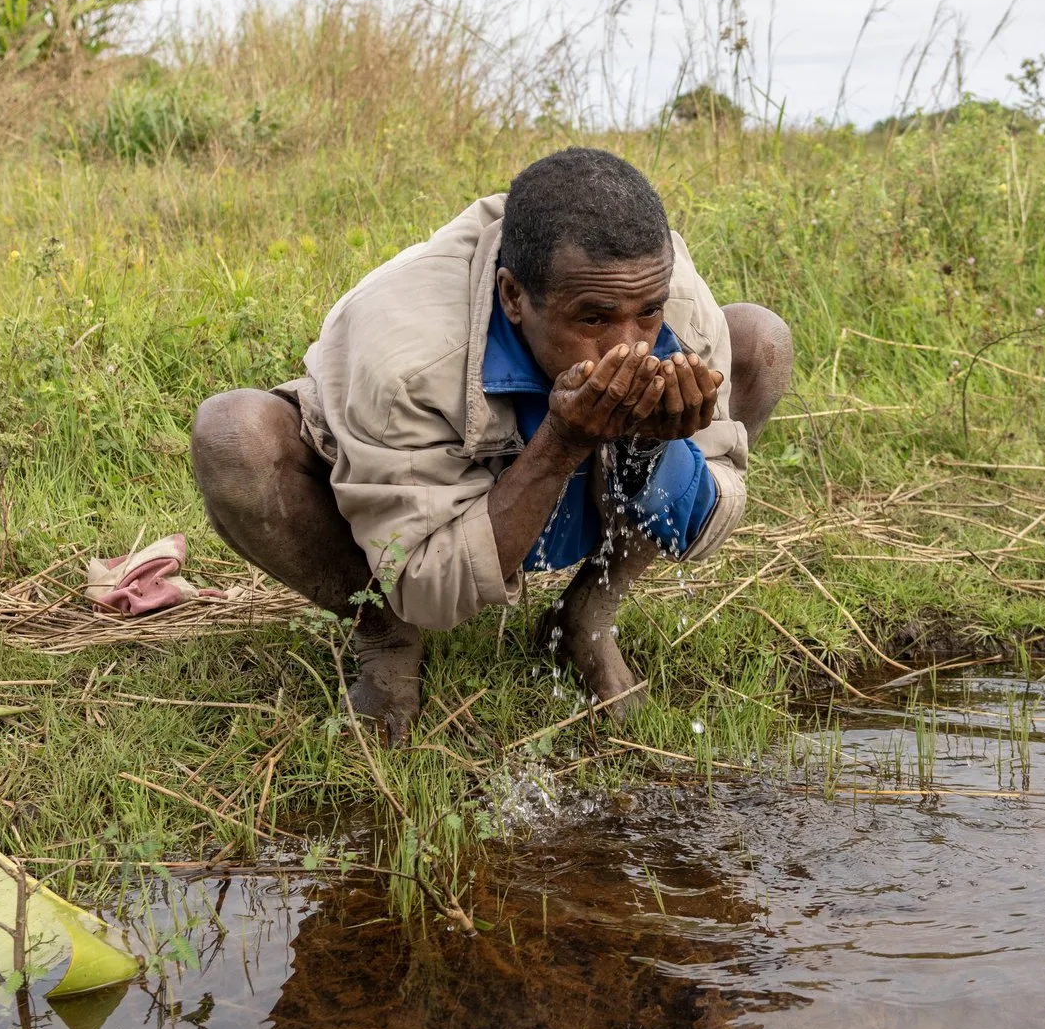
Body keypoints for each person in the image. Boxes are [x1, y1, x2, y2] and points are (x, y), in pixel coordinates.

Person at [191, 147, 793, 744]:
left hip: (573, 480)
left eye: (647, 315)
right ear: (512, 297)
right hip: (418, 492)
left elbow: (715, 504)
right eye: (593, 320)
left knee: (761, 340)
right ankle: (386, 644)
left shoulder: (673, 297)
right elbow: (426, 588)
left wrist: (652, 448)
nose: (628, 347)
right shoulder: (409, 356)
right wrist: (561, 441)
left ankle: (584, 618)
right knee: (234, 434)